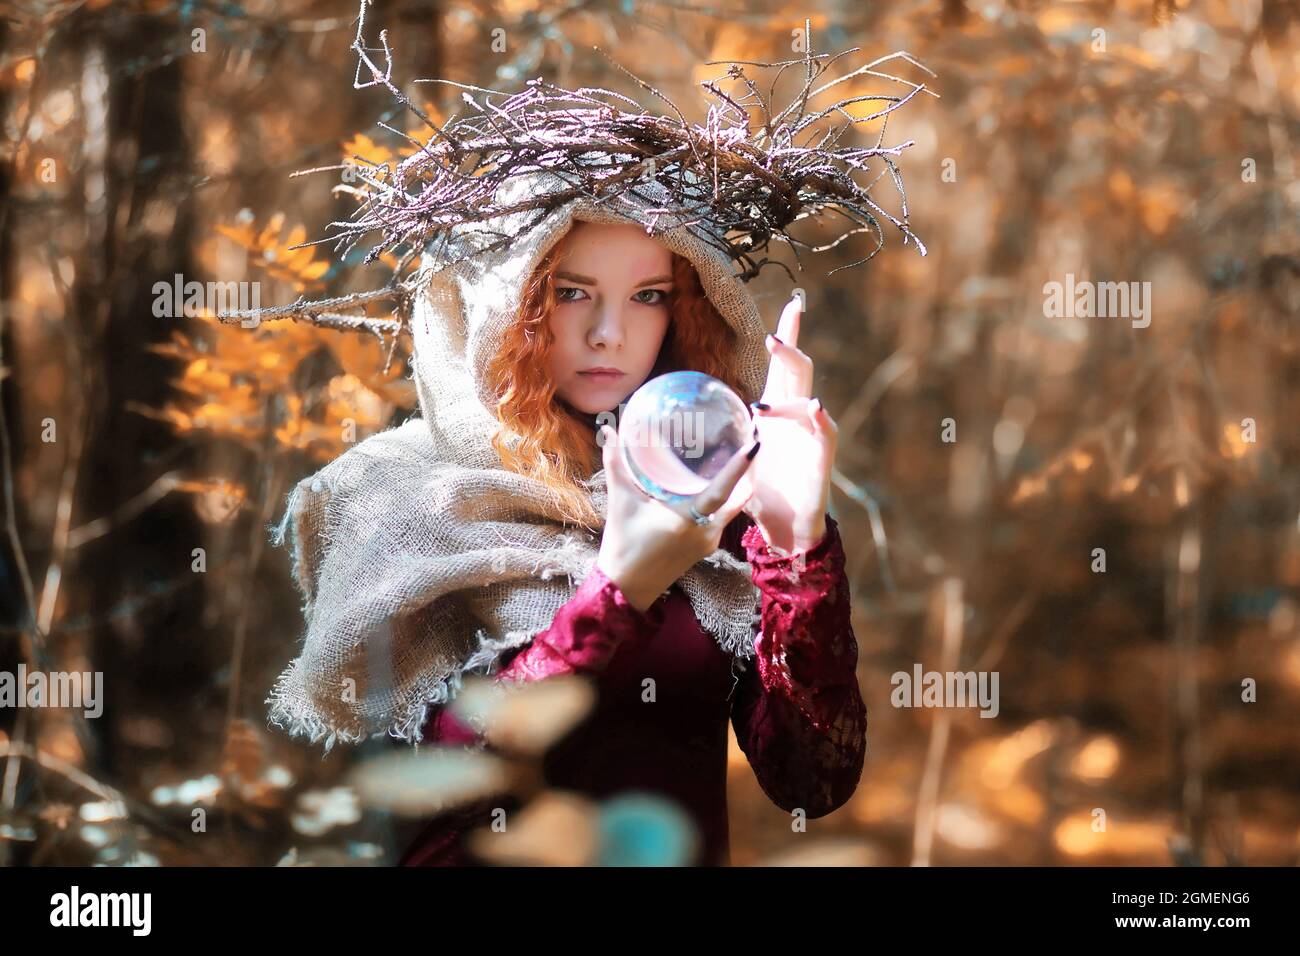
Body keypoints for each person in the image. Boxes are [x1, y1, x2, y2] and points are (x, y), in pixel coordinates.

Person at [267, 168, 868, 867]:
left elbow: (810, 783)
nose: (609, 334)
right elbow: (431, 781)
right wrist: (617, 591)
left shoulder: (711, 492)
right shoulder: (404, 493)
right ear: (507, 300)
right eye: (570, 292)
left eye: (648, 296)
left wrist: (795, 546)